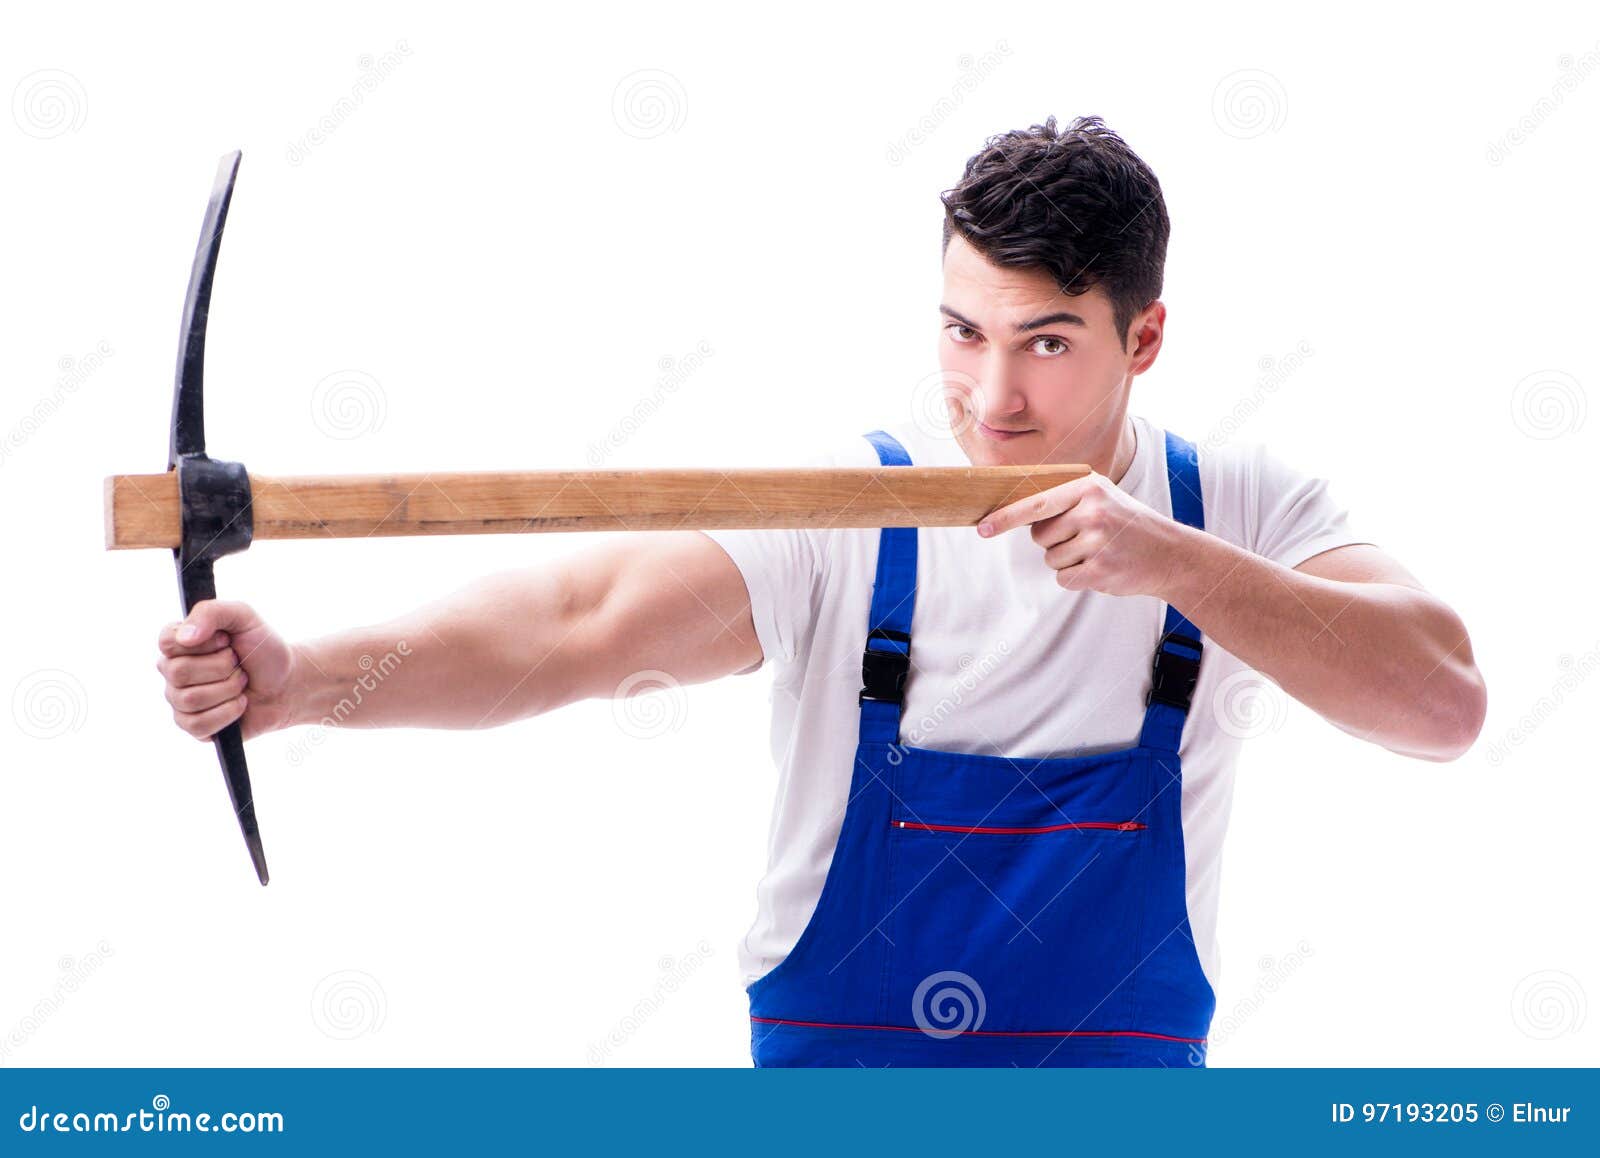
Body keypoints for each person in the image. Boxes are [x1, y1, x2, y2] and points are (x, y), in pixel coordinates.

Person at [154, 115, 1486, 1067]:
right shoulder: (849, 516)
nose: (992, 397)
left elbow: (1445, 705)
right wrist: (304, 680)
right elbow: (577, 623)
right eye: (962, 332)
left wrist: (1178, 564)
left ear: (1145, 337)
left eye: (1047, 343)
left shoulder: (1235, 512)